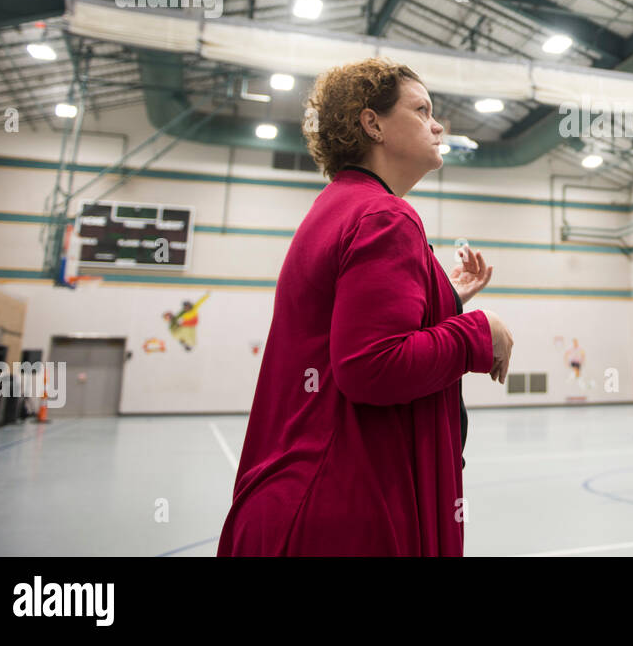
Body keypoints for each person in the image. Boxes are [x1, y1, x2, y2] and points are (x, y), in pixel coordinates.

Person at [217, 58, 514, 556]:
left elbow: (353, 323)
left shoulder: (340, 206)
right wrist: (480, 333)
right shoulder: (384, 215)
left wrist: (444, 299)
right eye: (422, 110)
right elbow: (370, 366)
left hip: (299, 506)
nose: (438, 125)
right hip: (342, 513)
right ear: (372, 122)